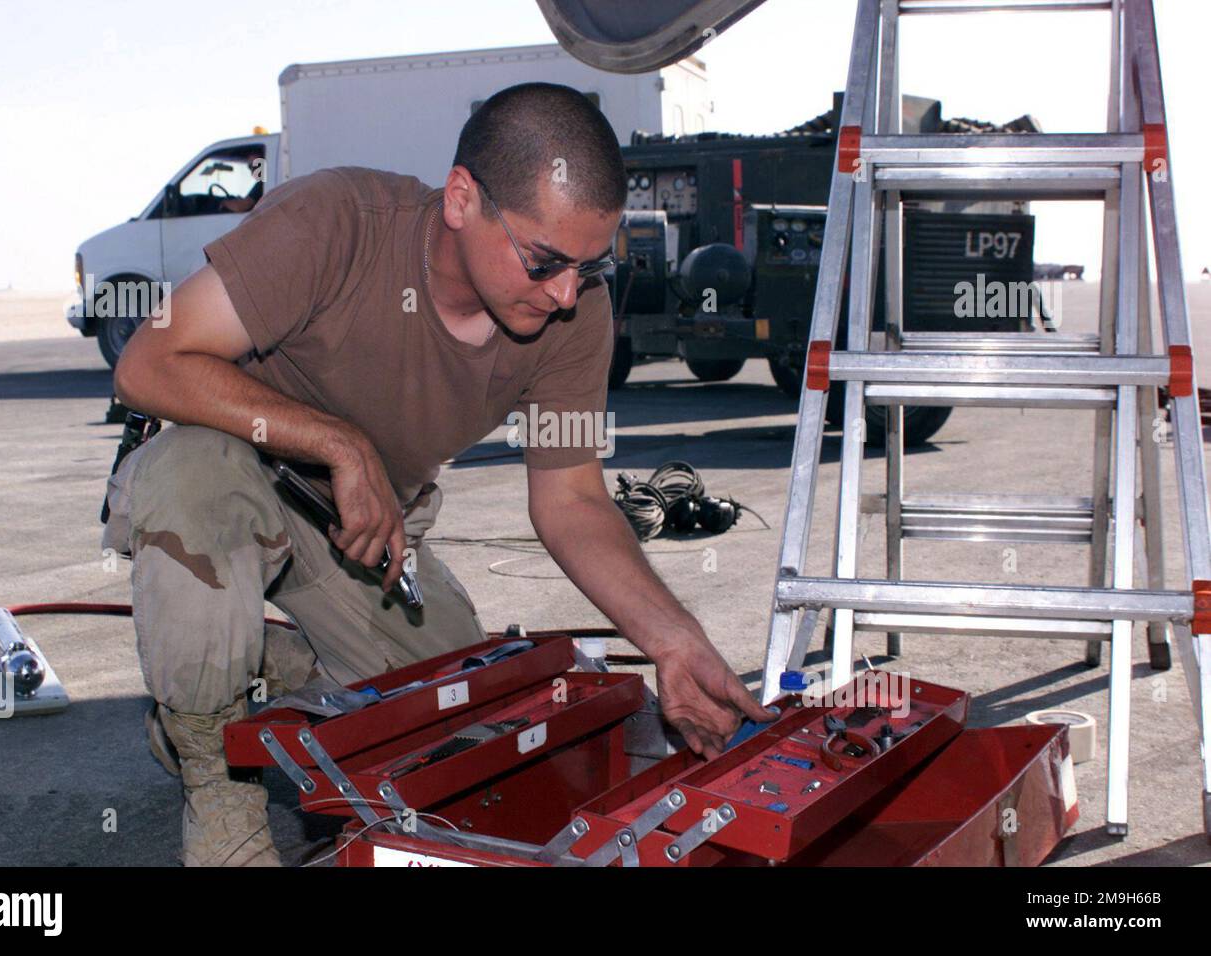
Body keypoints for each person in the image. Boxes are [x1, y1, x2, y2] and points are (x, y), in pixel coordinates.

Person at [104, 82, 772, 866]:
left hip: (363, 535)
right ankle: (215, 773)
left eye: (590, 268)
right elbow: (148, 363)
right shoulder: (334, 224)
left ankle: (255, 678)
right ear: (462, 199)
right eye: (545, 260)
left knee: (463, 729)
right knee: (192, 482)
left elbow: (572, 497)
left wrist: (675, 641)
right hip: (232, 480)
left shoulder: (574, 314)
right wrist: (339, 443)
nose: (565, 293)